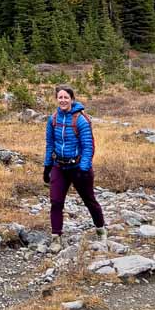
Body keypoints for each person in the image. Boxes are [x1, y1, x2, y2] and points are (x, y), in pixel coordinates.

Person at [43, 84, 106, 253]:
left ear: (72, 99)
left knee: (89, 200)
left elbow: (88, 147)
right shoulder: (53, 119)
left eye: (66, 97)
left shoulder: (81, 120)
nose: (63, 100)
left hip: (78, 167)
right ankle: (56, 238)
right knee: (56, 202)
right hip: (59, 166)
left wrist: (84, 168)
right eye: (60, 97)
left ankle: (101, 229)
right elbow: (50, 144)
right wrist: (47, 166)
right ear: (56, 99)